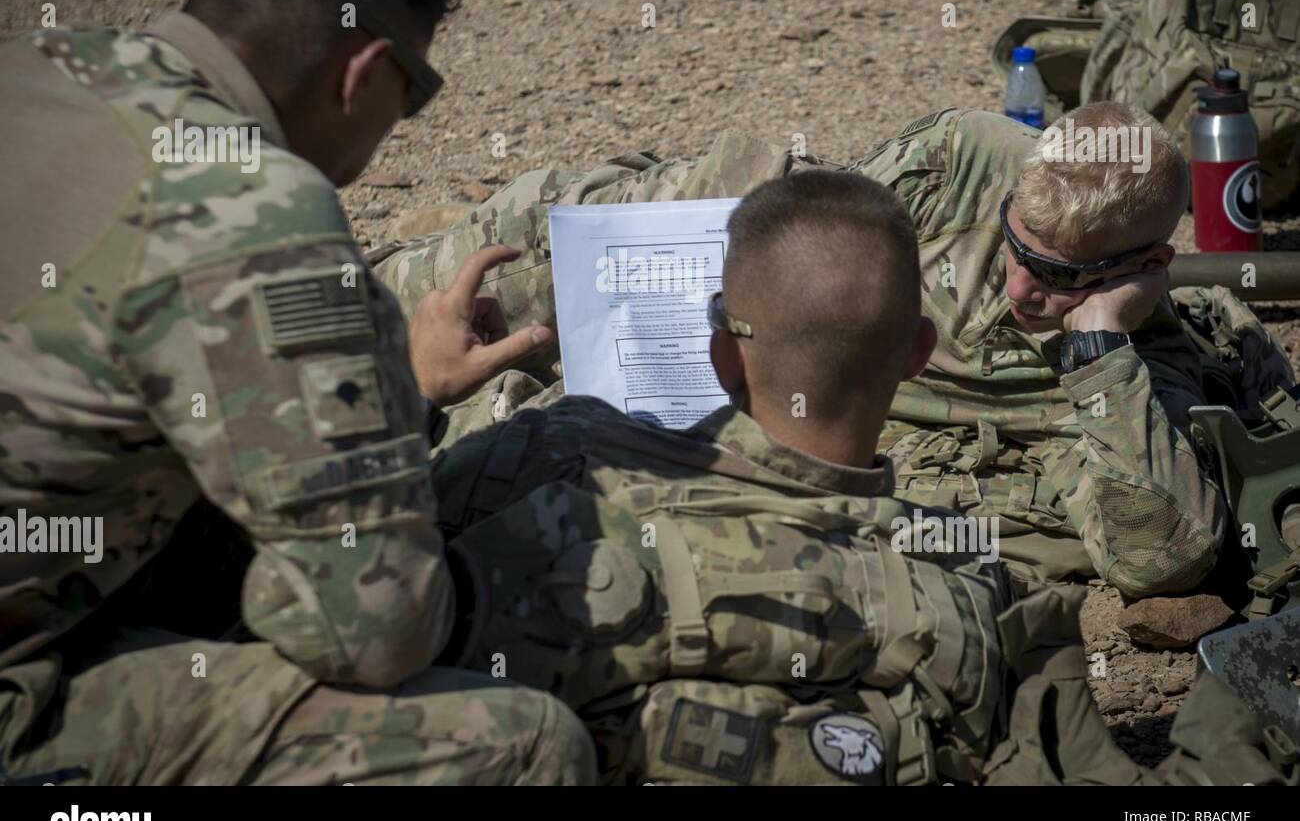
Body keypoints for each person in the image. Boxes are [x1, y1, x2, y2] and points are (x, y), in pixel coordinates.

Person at [0, 0, 593, 785]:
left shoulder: (29, 67)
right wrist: (389, 405)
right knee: (524, 745)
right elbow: (369, 630)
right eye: (418, 89)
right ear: (365, 73)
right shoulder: (252, 201)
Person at [421, 172, 1292, 786]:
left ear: (723, 352)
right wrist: (1235, 702)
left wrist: (420, 397)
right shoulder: (979, 602)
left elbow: (332, 566)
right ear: (917, 355)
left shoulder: (537, 458)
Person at [374, 104, 1293, 599]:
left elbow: (1162, 557)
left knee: (517, 453)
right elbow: (812, 234)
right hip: (746, 325)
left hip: (791, 424)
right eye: (1017, 248)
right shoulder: (968, 158)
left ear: (1146, 270)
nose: (1021, 288)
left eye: (1060, 277)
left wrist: (1096, 344)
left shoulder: (1140, 381)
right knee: (513, 252)